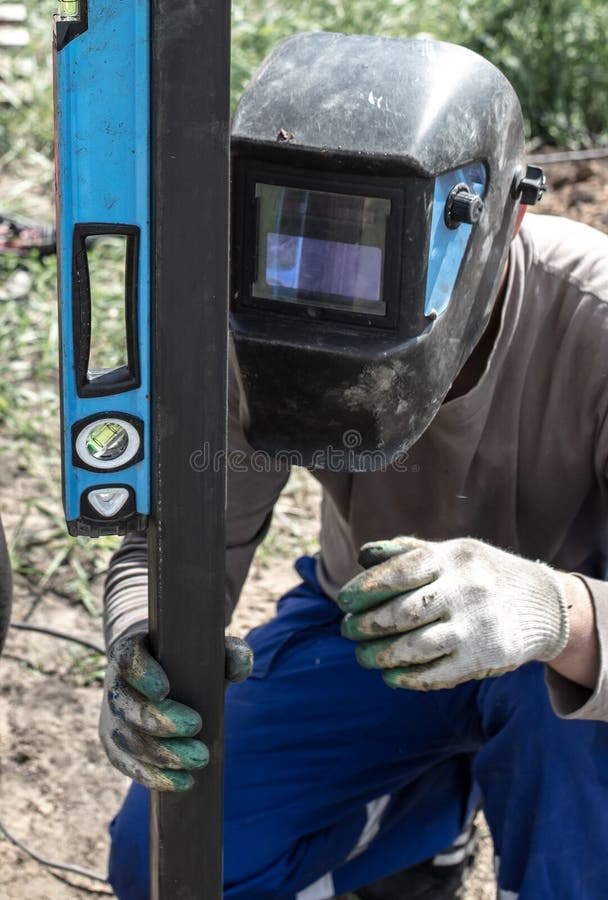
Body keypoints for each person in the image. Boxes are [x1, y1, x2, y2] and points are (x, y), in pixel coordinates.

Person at [100, 35, 608, 900]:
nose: (322, 281)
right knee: (164, 866)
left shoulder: (593, 320)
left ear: (504, 216)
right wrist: (137, 642)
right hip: (367, 627)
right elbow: (175, 545)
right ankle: (426, 810)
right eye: (291, 234)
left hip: (572, 670)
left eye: (372, 244)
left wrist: (550, 610)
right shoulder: (255, 316)